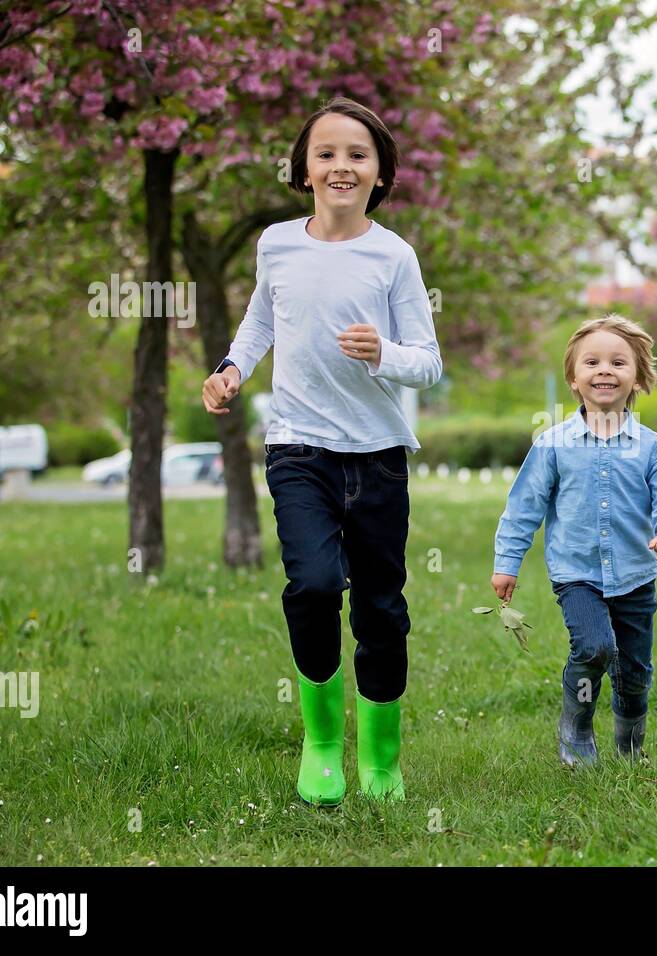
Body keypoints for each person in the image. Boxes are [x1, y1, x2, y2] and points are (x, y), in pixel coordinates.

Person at [202, 96, 443, 804]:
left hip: (377, 456)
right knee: (311, 585)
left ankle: (382, 759)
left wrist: (384, 352)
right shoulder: (277, 244)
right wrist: (231, 368)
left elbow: (427, 362)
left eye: (358, 155)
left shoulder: (394, 256)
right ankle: (322, 744)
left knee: (380, 609)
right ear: (303, 170)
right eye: (327, 153)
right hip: (297, 449)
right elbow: (260, 321)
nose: (342, 165)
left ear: (380, 174)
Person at [491, 315, 657, 766]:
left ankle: (629, 745)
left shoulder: (654, 448)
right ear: (573, 378)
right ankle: (576, 729)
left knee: (634, 671)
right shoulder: (552, 445)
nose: (605, 370)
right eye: (592, 362)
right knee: (594, 647)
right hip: (576, 574)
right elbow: (523, 508)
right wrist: (507, 563)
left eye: (618, 362)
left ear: (637, 378)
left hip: (635, 576)